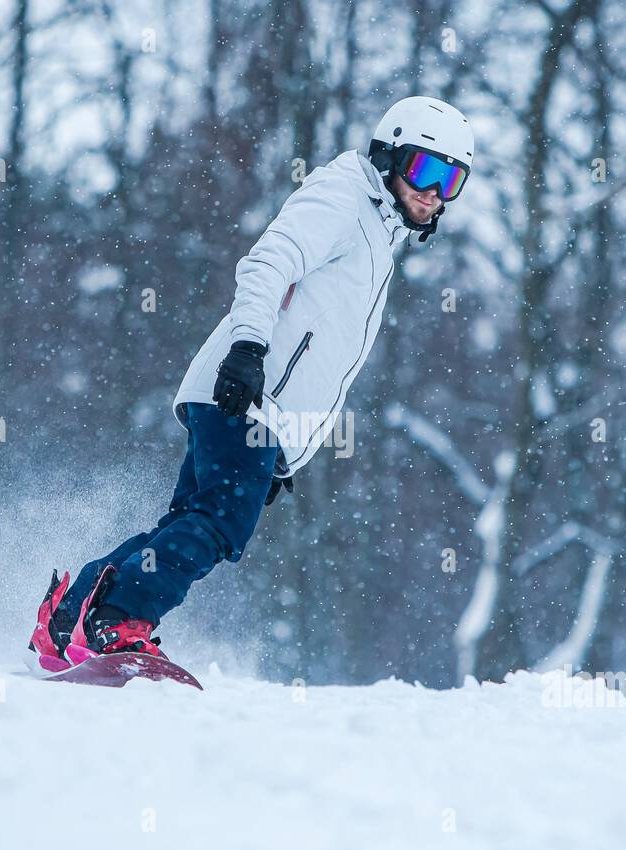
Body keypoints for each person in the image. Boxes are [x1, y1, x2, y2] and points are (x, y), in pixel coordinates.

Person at [29, 95, 475, 671]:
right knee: (218, 524)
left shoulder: (378, 234)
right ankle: (115, 620)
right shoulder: (344, 197)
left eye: (452, 181)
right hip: (243, 390)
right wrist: (246, 352)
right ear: (388, 156)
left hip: (257, 408)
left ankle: (71, 615)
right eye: (426, 170)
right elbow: (269, 263)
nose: (435, 192)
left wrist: (283, 454)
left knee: (191, 522)